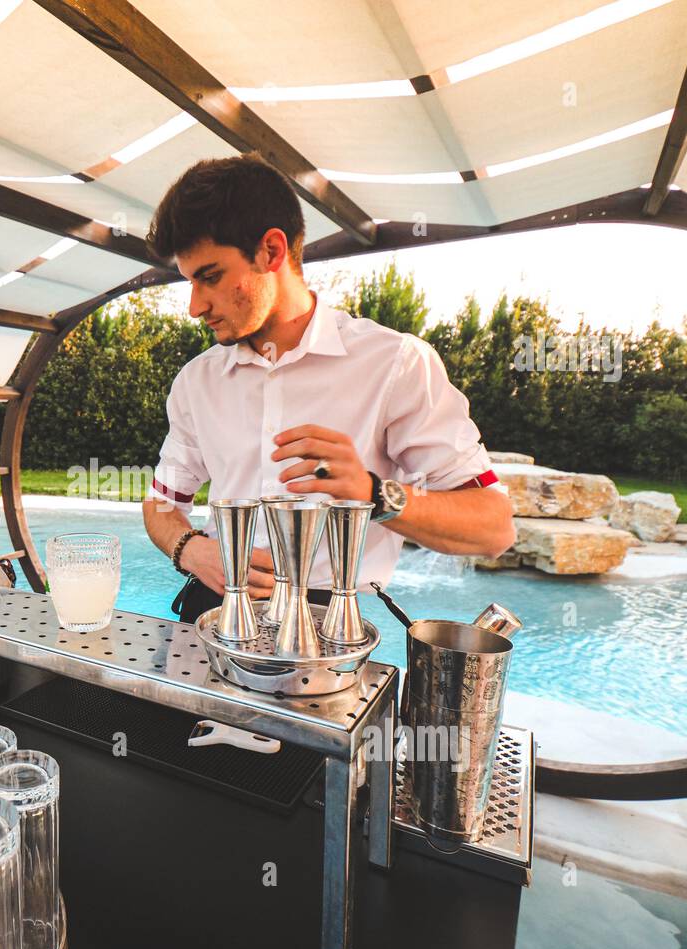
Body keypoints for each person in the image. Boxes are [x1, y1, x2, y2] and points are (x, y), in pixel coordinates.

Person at [140, 156, 515, 624]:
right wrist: (190, 550)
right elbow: (161, 503)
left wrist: (374, 494)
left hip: (331, 628)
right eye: (189, 281)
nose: (194, 306)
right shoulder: (196, 382)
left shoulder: (396, 364)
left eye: (210, 277)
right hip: (212, 611)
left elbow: (494, 526)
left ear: (271, 252)